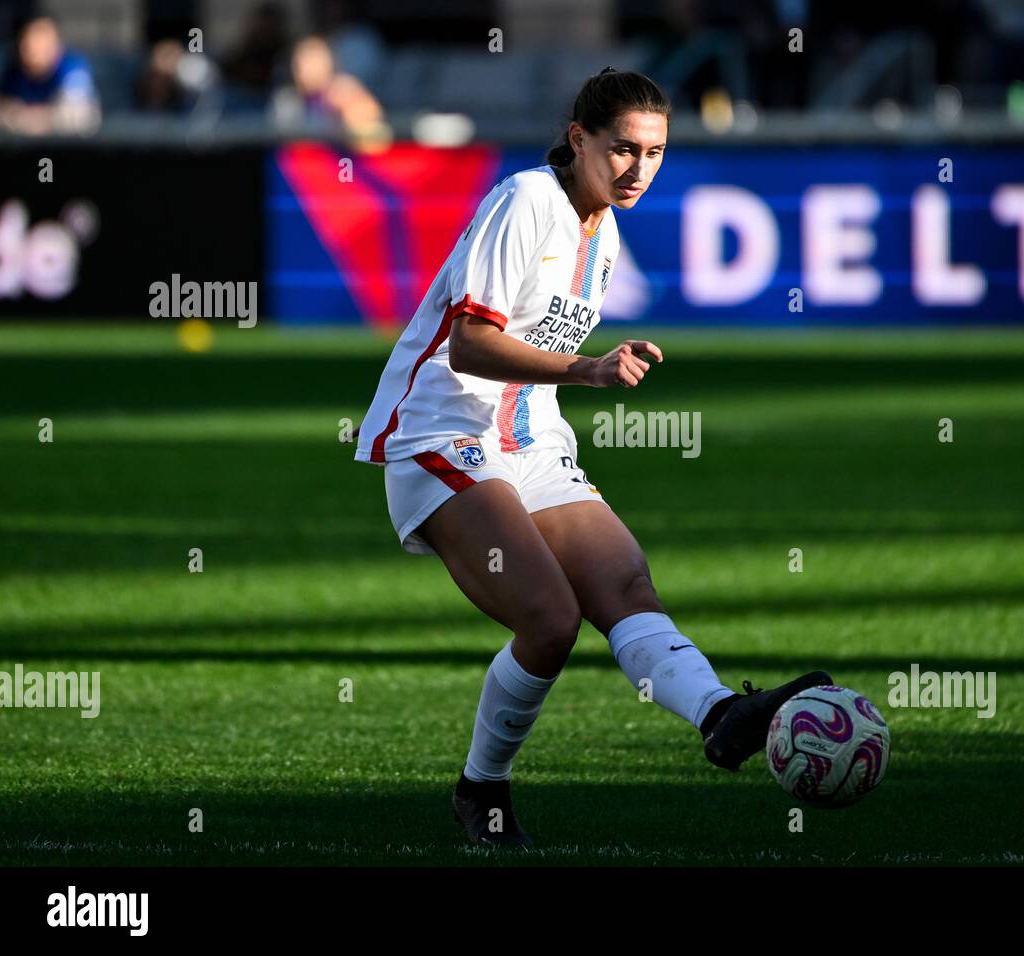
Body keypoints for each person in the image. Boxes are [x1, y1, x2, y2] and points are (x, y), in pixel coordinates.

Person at [353, 68, 831, 846]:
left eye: (655, 153)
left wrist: (576, 376)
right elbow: (470, 345)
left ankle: (721, 714)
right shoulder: (526, 200)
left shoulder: (602, 232)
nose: (639, 168)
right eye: (623, 148)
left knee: (626, 584)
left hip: (529, 437)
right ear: (579, 139)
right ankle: (482, 789)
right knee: (549, 620)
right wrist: (588, 369)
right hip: (442, 432)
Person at [0, 15, 99, 135]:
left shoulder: (72, 68)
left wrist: (35, 118)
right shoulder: (13, 72)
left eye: (44, 41)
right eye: (31, 41)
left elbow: (79, 116)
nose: (36, 48)